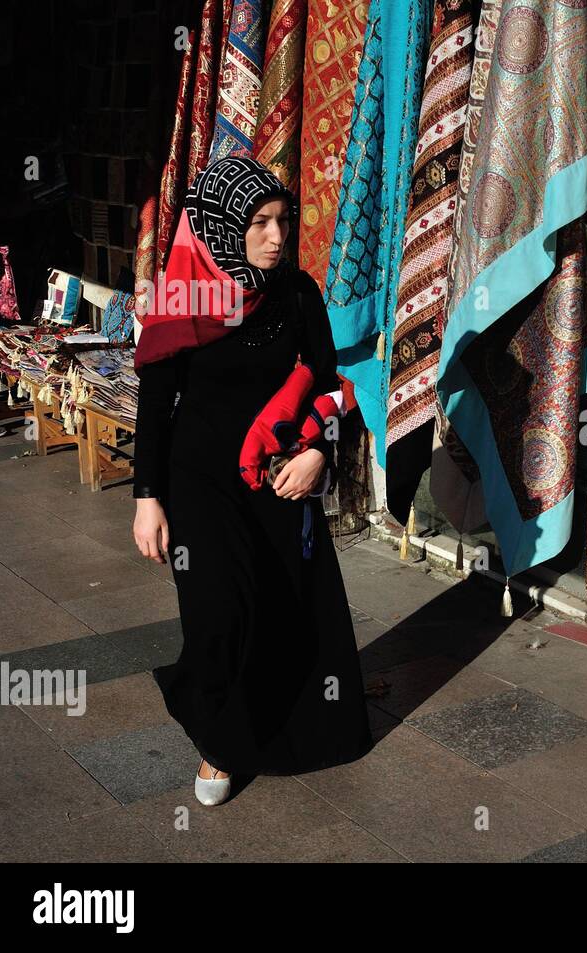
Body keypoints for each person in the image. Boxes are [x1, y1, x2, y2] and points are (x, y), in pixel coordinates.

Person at [131, 156, 373, 806]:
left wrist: (319, 454)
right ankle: (218, 743)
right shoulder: (180, 298)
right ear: (219, 227)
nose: (276, 236)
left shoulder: (298, 295)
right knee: (218, 615)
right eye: (259, 223)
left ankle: (272, 728)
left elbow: (327, 386)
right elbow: (154, 406)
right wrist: (147, 498)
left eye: (282, 222)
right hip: (201, 489)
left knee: (281, 611)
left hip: (280, 481)